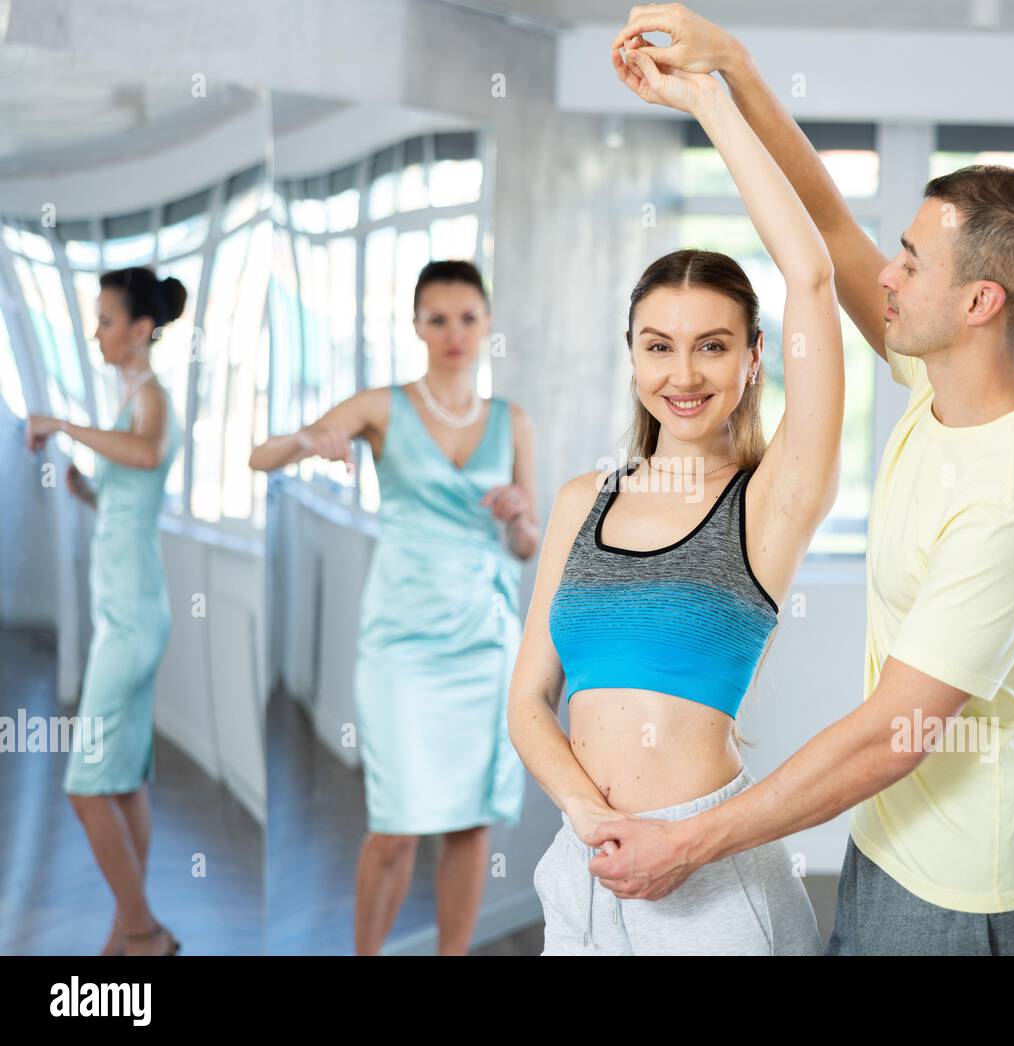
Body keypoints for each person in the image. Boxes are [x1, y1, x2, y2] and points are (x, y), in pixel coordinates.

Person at [588, 8, 1014, 956]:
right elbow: (822, 228)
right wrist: (727, 75)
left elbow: (893, 735)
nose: (888, 274)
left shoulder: (1010, 504)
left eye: (910, 260)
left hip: (965, 896)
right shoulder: (954, 374)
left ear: (980, 302)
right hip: (895, 843)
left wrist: (686, 844)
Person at [508, 43, 844, 955]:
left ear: (753, 359)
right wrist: (587, 815)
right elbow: (529, 701)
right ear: (630, 355)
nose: (683, 373)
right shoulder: (585, 500)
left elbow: (812, 276)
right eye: (658, 345)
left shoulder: (773, 499)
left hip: (712, 883)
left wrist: (709, 102)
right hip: (585, 864)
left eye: (712, 346)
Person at [249, 260, 539, 955]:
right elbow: (263, 457)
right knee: (397, 825)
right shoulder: (383, 405)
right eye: (437, 319)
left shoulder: (513, 421)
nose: (453, 333)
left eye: (467, 318)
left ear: (487, 325)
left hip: (484, 636)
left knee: (470, 824)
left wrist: (519, 515)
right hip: (403, 642)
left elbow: (527, 546)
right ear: (415, 326)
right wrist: (308, 441)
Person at [25, 266, 186, 956]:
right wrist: (89, 493)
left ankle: (144, 933)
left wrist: (62, 423)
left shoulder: (151, 397)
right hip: (131, 611)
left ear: (141, 329)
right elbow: (132, 493)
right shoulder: (130, 401)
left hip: (132, 620)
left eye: (107, 320)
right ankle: (128, 930)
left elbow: (147, 454)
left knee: (86, 787)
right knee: (122, 780)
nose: (97, 331)